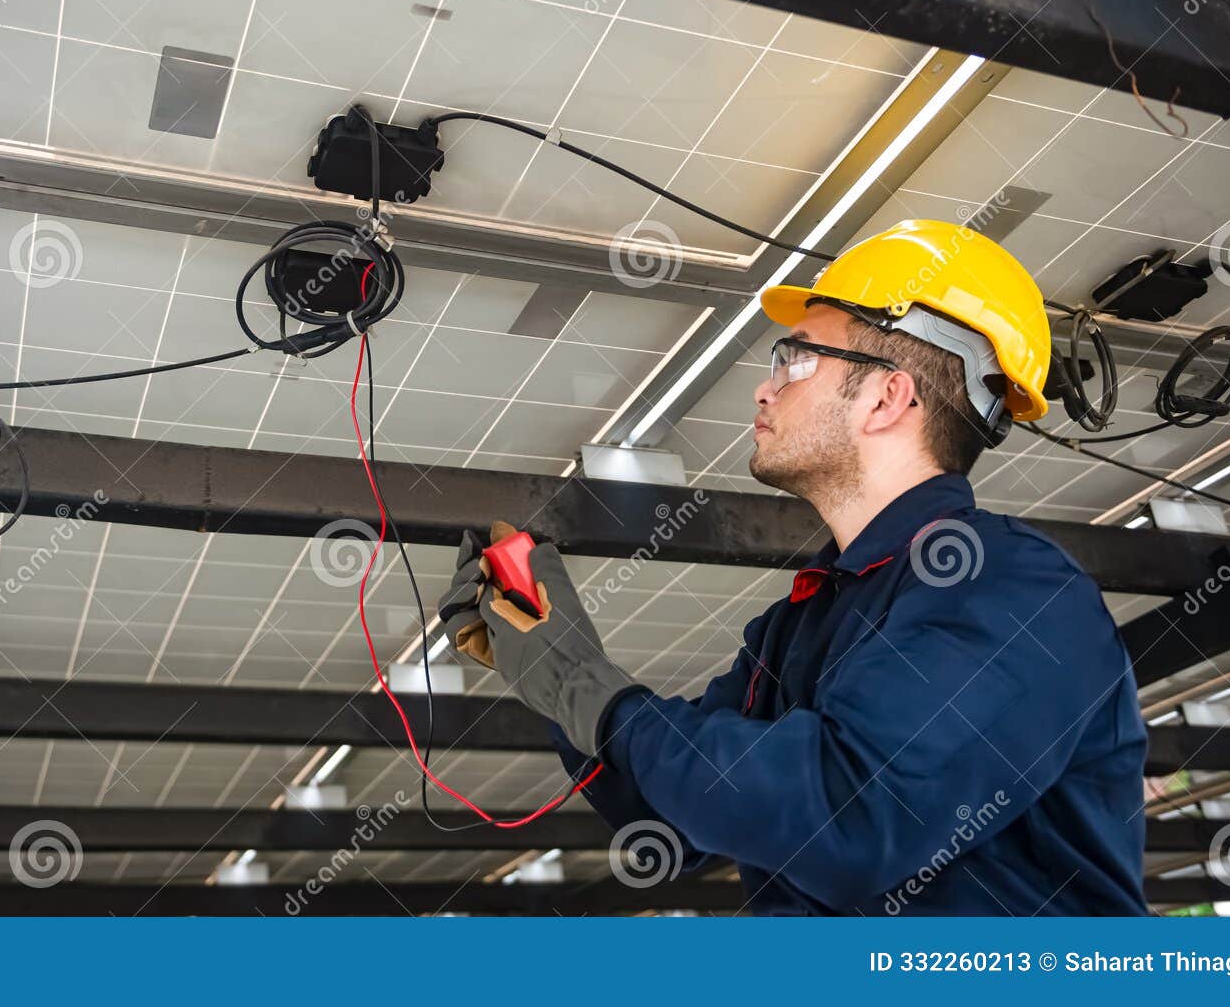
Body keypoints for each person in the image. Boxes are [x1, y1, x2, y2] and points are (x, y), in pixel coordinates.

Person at [438, 220, 1147, 915]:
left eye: (796, 357)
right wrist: (555, 673)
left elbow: (850, 821)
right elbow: (674, 822)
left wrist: (587, 690)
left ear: (886, 397)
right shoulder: (800, 622)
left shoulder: (1012, 589)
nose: (764, 388)